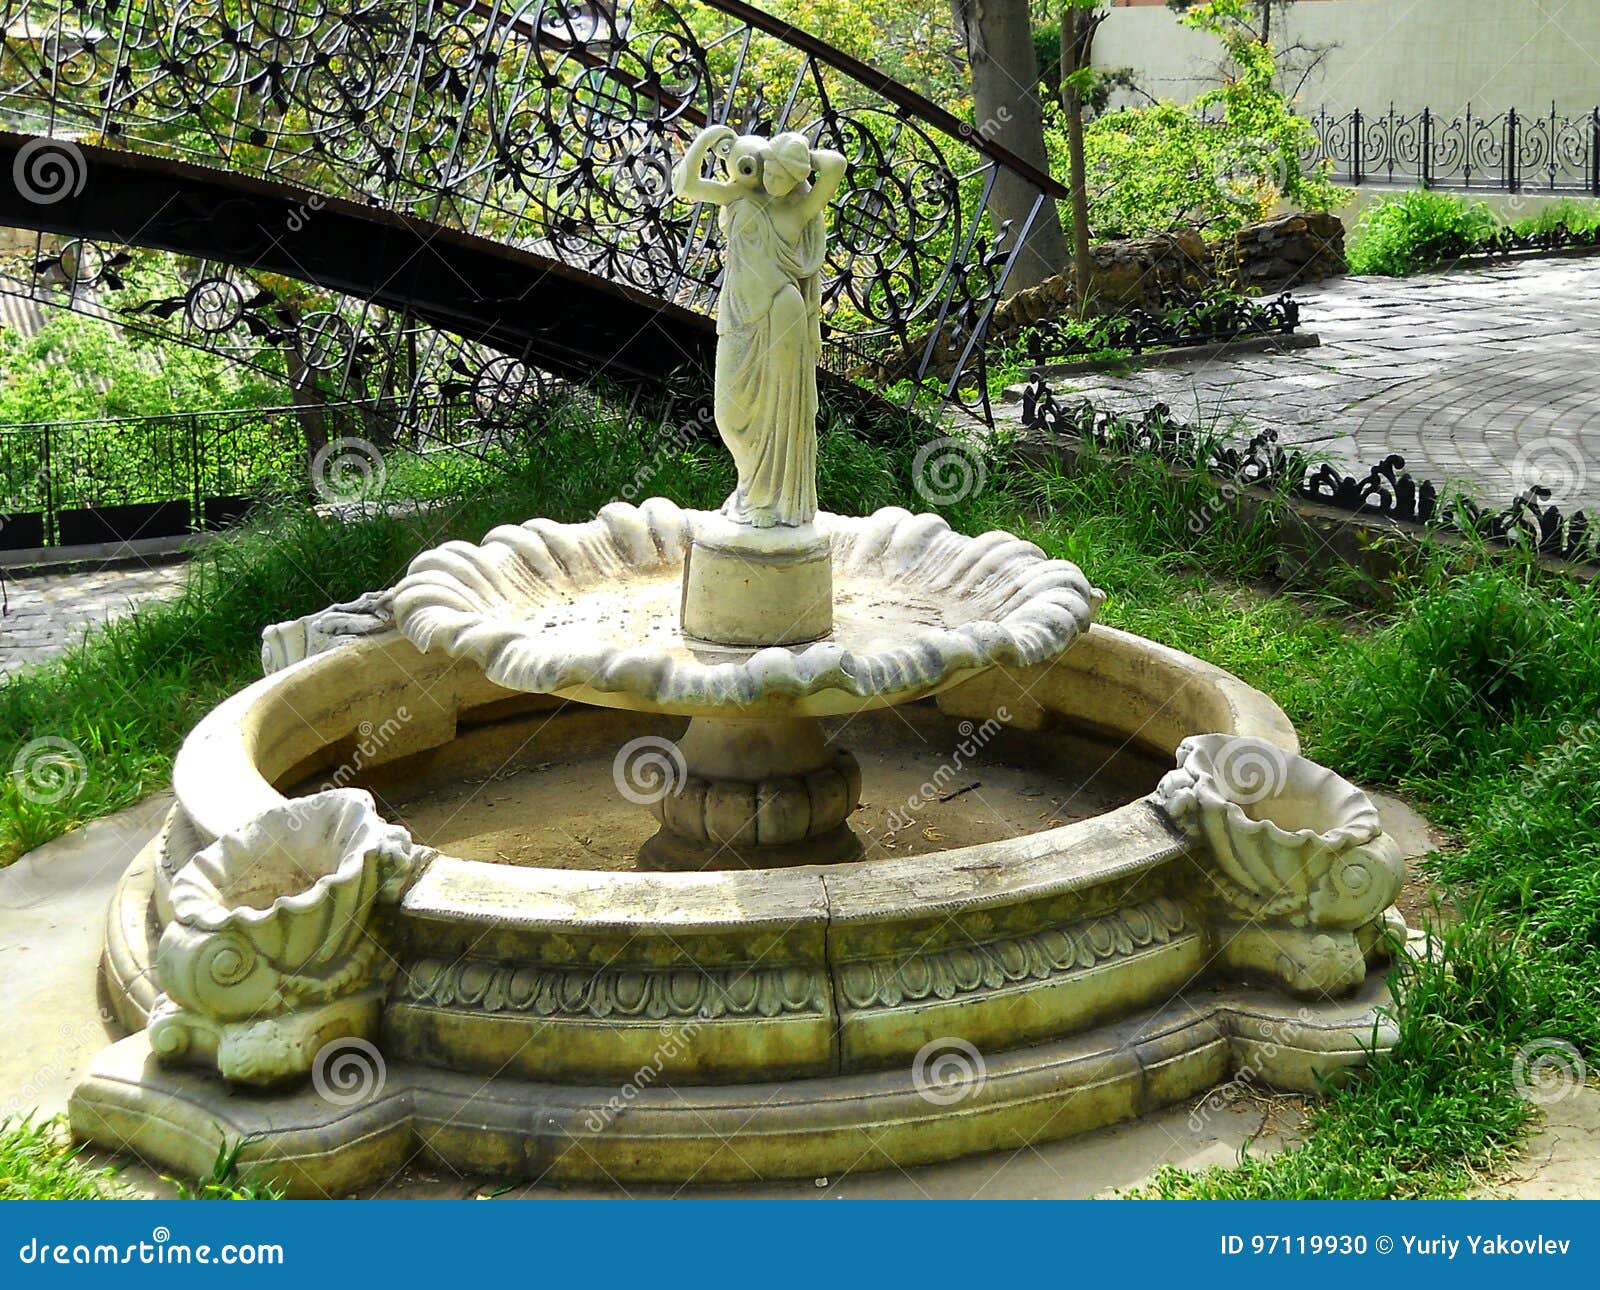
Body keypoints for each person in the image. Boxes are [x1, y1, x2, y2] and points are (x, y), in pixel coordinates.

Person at [671, 125, 846, 528]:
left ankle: (771, 501)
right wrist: (711, 136)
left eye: (776, 173)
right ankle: (751, 486)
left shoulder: (798, 208)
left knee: (782, 412)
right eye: (764, 171)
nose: (769, 179)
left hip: (782, 310)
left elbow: (835, 164)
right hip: (738, 313)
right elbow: (686, 185)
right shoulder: (738, 196)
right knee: (729, 415)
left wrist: (792, 155)